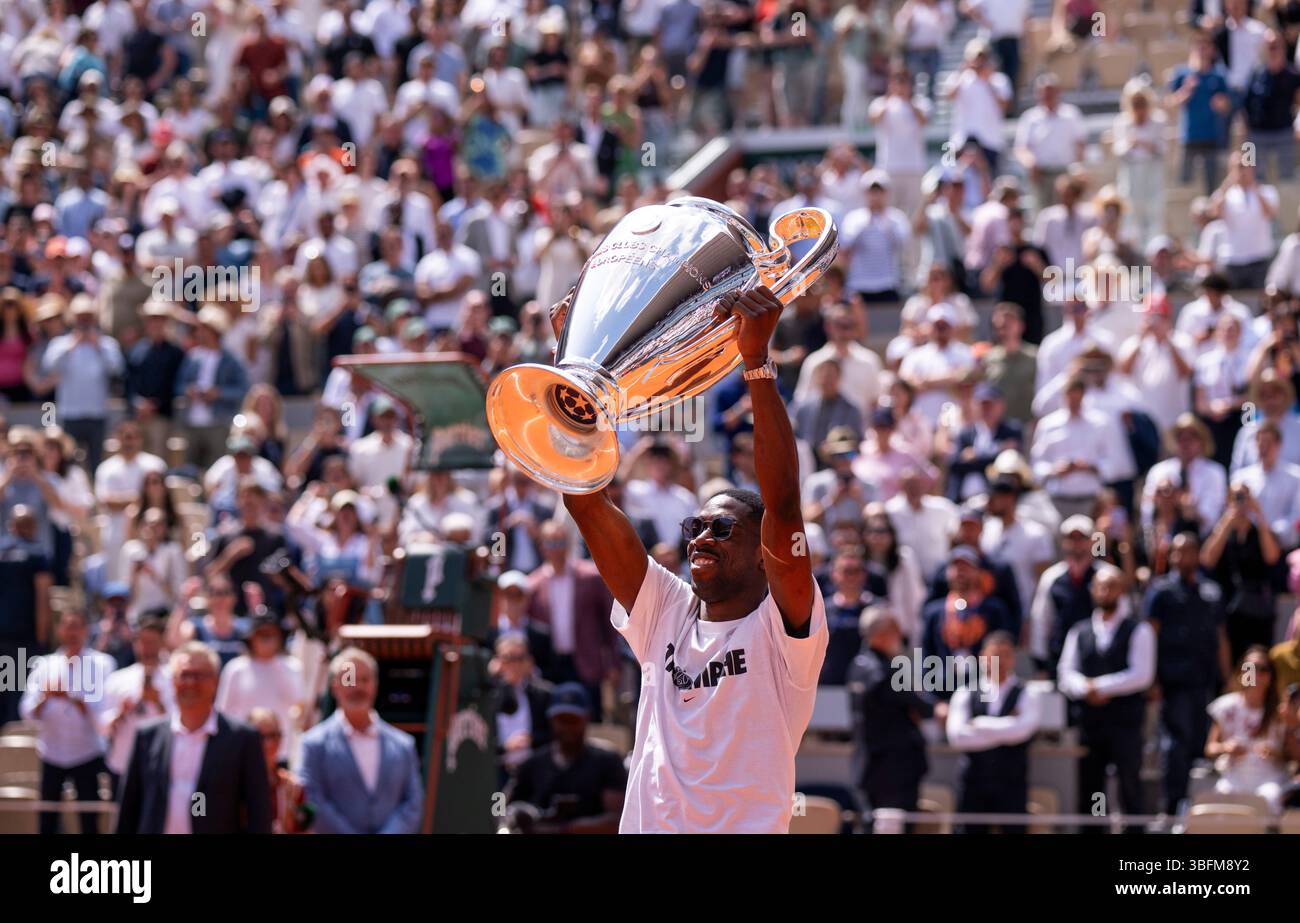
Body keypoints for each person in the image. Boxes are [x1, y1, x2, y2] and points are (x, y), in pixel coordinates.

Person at [560, 285, 828, 833]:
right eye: (695, 526)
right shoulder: (667, 609)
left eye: (723, 528)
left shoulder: (784, 630)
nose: (701, 538)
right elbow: (583, 499)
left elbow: (782, 504)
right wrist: (574, 371)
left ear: (762, 555)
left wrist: (756, 364)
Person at [116, 641, 272, 834]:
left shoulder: (242, 739)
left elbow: (258, 811)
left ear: (215, 682)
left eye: (199, 675)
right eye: (184, 675)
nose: (191, 682)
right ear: (173, 681)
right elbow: (129, 807)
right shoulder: (147, 736)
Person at [1057, 564, 1155, 832]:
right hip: (1091, 724)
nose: (1105, 591)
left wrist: (1098, 687)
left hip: (1125, 724)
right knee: (1091, 790)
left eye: (1111, 585)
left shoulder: (1138, 630)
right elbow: (1066, 673)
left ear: (1122, 590)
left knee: (1129, 787)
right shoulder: (1080, 631)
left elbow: (1141, 675)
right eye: (1100, 586)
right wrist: (1084, 690)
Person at [1143, 532, 1232, 814]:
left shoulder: (1211, 591)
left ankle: (1199, 810)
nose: (1185, 557)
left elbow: (1221, 637)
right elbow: (1150, 636)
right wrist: (1152, 679)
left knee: (1201, 746)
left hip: (1204, 681)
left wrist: (1228, 678)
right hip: (1173, 682)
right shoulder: (1160, 590)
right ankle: (1172, 808)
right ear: (1171, 556)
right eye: (1179, 552)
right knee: (1175, 746)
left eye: (1191, 551)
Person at [298, 647, 424, 834]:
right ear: (335, 686)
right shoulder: (313, 744)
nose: (357, 687)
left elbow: (413, 802)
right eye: (350, 679)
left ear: (375, 685)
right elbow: (313, 800)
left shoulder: (403, 745)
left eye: (364, 680)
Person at [19, 606, 116, 835]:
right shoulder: (43, 664)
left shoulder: (103, 664)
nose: (72, 633)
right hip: (52, 753)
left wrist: (73, 698)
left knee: (89, 821)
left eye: (77, 627)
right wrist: (46, 698)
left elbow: (105, 713)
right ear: (59, 630)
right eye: (67, 626)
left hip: (87, 753)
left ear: (85, 630)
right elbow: (26, 711)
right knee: (47, 820)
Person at [847, 607, 944, 822]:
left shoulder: (857, 666)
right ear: (882, 634)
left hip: (869, 765)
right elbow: (925, 708)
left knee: (873, 822)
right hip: (895, 769)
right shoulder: (887, 671)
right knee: (892, 824)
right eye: (896, 630)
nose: (900, 636)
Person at [946, 631, 1042, 832]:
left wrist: (979, 724)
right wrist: (1006, 727)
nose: (1000, 661)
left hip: (1012, 783)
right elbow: (957, 737)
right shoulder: (965, 693)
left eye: (1005, 655)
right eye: (994, 655)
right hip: (973, 783)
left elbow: (1022, 731)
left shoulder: (1028, 692)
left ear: (1013, 659)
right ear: (983, 657)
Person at [506, 683, 627, 834]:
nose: (567, 727)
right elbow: (505, 812)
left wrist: (564, 829)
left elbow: (618, 821)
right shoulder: (531, 765)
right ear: (550, 719)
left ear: (587, 718)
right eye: (561, 719)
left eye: (573, 719)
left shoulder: (608, 762)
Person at [525, 521, 616, 718]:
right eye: (550, 543)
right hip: (549, 666)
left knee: (592, 719)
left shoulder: (590, 577)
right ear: (542, 547)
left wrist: (613, 663)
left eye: (560, 543)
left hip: (586, 662)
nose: (556, 549)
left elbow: (610, 624)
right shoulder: (533, 584)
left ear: (567, 544)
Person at [1205, 645, 1292, 812]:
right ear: (1241, 673)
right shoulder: (1226, 706)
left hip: (1269, 778)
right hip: (1235, 777)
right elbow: (1210, 748)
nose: (1256, 675)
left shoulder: (1279, 711)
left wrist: (1275, 752)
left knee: (1270, 798)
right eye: (1250, 668)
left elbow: (1292, 756)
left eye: (1263, 669)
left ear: (1271, 676)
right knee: (1220, 797)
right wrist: (1227, 747)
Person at [99, 615, 174, 785]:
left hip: (161, 765)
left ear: (162, 643)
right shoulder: (118, 679)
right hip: (123, 764)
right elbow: (102, 728)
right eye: (143, 642)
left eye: (152, 642)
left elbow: (184, 724)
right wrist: (121, 713)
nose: (147, 648)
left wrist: (158, 704)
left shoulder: (174, 679)